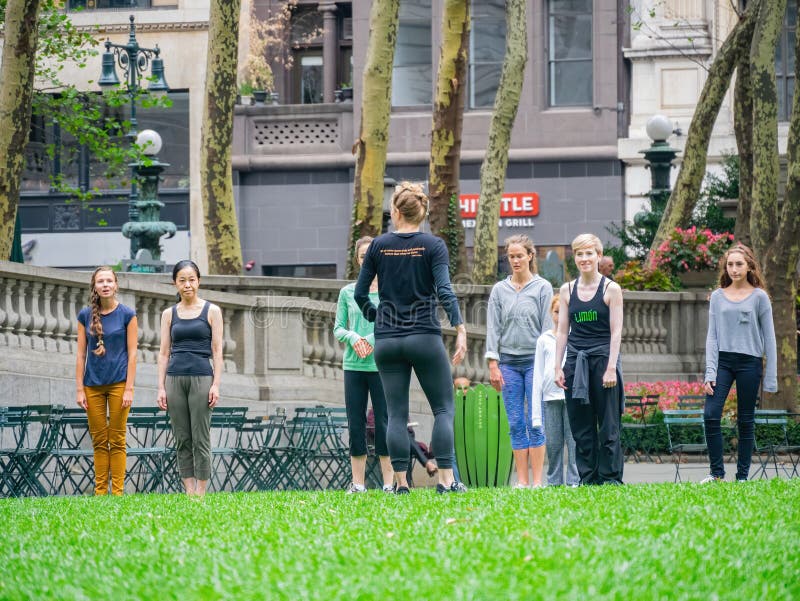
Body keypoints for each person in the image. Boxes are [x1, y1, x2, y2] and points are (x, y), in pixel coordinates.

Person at [355, 181, 468, 495]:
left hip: (388, 340)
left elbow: (361, 294)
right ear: (423, 212)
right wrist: (460, 328)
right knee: (443, 409)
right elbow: (444, 291)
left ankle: (400, 483)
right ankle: (447, 481)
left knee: (395, 414)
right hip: (424, 336)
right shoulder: (433, 245)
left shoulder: (377, 246)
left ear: (395, 210)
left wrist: (376, 317)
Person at [702, 243, 777, 483]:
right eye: (730, 264)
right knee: (711, 414)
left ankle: (742, 477)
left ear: (749, 267)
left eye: (739, 264)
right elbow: (712, 336)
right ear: (726, 267)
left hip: (750, 363)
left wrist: (771, 377)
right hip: (723, 362)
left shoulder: (760, 297)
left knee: (746, 420)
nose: (734, 269)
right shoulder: (716, 297)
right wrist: (710, 371)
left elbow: (770, 339)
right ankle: (716, 474)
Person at [555, 233, 624, 485]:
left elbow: (616, 331)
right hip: (575, 363)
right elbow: (563, 331)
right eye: (579, 254)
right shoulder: (567, 290)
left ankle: (610, 478)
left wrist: (611, 368)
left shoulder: (611, 289)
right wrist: (558, 367)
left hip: (603, 361)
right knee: (581, 425)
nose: (584, 258)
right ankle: (588, 478)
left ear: (598, 255)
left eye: (589, 253)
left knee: (608, 424)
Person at [486, 234, 552, 488]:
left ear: (530, 256)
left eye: (519, 256)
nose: (515, 260)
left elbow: (548, 330)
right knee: (515, 423)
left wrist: (549, 366)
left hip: (535, 363)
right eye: (511, 257)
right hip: (508, 364)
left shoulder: (543, 287)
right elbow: (493, 329)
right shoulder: (499, 290)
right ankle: (522, 481)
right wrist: (493, 364)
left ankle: (537, 482)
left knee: (536, 421)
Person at [157, 260, 224, 498]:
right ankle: (189, 491)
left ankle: (201, 492)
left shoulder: (212, 311)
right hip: (174, 379)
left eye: (192, 280)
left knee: (201, 436)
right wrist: (161, 388)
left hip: (202, 378)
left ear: (199, 281)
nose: (187, 285)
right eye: (182, 280)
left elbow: (217, 351)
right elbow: (164, 352)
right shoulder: (168, 314)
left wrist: (215, 384)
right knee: (182, 437)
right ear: (175, 283)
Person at [334, 236, 394, 493]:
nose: (366, 259)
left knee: (384, 423)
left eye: (371, 255)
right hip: (353, 367)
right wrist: (354, 337)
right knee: (355, 423)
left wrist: (370, 339)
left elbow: (392, 324)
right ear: (358, 260)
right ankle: (358, 484)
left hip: (382, 367)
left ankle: (389, 483)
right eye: (362, 256)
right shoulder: (347, 292)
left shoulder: (391, 290)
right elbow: (338, 328)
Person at [75, 266, 138, 496]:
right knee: (100, 440)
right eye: (100, 281)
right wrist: (79, 389)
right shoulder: (84, 315)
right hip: (92, 385)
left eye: (109, 281)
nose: (105, 285)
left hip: (119, 384)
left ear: (116, 285)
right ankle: (101, 492)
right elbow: (81, 354)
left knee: (118, 439)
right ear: (95, 286)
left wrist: (129, 388)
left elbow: (132, 354)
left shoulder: (128, 315)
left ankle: (118, 493)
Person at [531, 294, 579, 487]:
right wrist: (535, 415)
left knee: (573, 442)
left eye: (563, 311)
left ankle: (574, 481)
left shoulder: (575, 337)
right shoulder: (543, 340)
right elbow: (538, 375)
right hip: (550, 398)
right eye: (557, 311)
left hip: (571, 397)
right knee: (553, 444)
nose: (560, 315)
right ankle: (554, 482)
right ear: (551, 313)